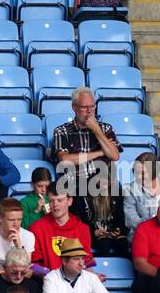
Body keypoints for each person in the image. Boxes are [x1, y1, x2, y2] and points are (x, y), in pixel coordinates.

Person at [52, 87, 122, 229]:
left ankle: (116, 234)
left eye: (92, 106)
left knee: (118, 190)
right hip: (76, 182)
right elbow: (65, 160)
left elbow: (114, 155)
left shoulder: (106, 128)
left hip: (102, 181)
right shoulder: (62, 131)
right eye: (85, 107)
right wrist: (101, 153)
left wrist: (96, 129)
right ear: (74, 107)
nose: (90, 111)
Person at [42, 237, 114, 293]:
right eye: (76, 259)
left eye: (82, 258)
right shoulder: (51, 277)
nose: (81, 263)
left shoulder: (90, 277)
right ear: (64, 261)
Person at [29, 189, 95, 272]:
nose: (55, 204)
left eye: (59, 200)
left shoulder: (83, 229)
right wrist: (56, 279)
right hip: (47, 281)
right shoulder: (36, 228)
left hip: (76, 282)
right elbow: (34, 265)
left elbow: (86, 262)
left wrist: (92, 279)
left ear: (69, 201)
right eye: (51, 200)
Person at [0, 198, 38, 280]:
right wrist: (17, 273)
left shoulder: (28, 236)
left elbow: (25, 270)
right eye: (11, 220)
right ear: (0, 218)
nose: (16, 224)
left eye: (19, 219)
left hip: (16, 279)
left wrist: (19, 247)